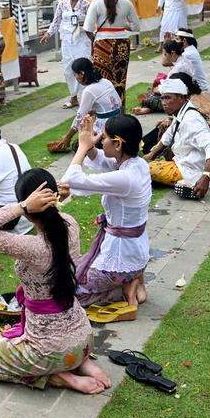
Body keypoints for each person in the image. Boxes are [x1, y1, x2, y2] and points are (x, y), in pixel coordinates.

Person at [0, 169, 112, 394]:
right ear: (55, 199)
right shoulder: (70, 224)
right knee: (66, 347)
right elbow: (54, 216)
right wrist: (51, 197)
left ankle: (61, 378)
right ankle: (82, 362)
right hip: (85, 339)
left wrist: (22, 206)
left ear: (30, 209)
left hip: (50, 350)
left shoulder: (33, 248)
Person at [62, 113, 152, 310]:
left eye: (104, 138)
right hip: (135, 254)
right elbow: (104, 161)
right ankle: (134, 283)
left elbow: (72, 180)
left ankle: (123, 289)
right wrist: (91, 147)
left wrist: (83, 148)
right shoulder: (137, 164)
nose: (101, 141)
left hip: (121, 262)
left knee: (68, 296)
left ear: (118, 144)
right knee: (74, 276)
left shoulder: (126, 178)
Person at [142, 77, 210, 198]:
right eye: (162, 98)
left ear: (181, 97)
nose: (164, 102)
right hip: (183, 162)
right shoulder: (183, 111)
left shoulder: (191, 121)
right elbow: (170, 133)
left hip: (191, 171)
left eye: (168, 98)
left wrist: (206, 177)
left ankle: (197, 182)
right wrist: (152, 153)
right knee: (144, 164)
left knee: (140, 168)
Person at [47, 58, 123, 153]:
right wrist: (95, 111)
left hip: (108, 128)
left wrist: (67, 138)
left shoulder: (89, 90)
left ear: (82, 73)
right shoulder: (105, 81)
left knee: (78, 145)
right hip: (120, 123)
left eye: (75, 74)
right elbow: (117, 103)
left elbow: (79, 118)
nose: (75, 77)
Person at [85, 0, 141, 100]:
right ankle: (120, 112)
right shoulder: (127, 3)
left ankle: (103, 112)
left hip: (102, 44)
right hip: (121, 44)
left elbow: (87, 29)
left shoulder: (96, 2)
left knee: (101, 80)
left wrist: (95, 42)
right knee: (119, 81)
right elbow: (136, 27)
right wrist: (122, 25)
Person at [42, 0, 92, 109]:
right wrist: (48, 34)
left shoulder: (86, 5)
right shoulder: (62, 4)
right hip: (67, 41)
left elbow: (92, 23)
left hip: (81, 40)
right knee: (68, 70)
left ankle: (86, 97)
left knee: (83, 68)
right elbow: (56, 21)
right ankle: (73, 97)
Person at [133, 39, 205, 114]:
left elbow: (168, 90)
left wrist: (159, 90)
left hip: (183, 96)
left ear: (173, 53)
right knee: (152, 91)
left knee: (149, 99)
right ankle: (148, 107)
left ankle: (147, 107)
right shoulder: (183, 60)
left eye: (165, 54)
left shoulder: (179, 67)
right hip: (185, 92)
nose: (164, 57)